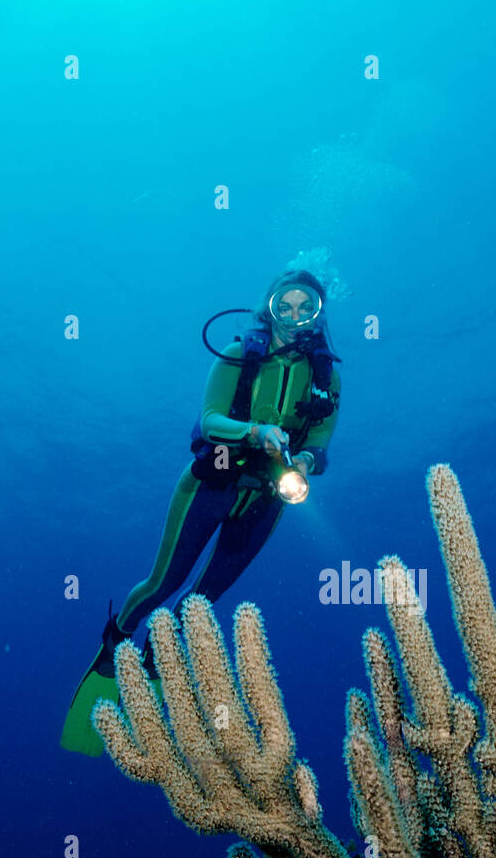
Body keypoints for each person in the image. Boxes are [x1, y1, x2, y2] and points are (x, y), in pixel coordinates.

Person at [61, 269, 341, 756]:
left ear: (318, 314)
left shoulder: (326, 376)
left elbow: (320, 440)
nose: (293, 316)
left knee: (204, 598)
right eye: (284, 305)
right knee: (163, 583)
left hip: (267, 498)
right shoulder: (239, 354)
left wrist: (305, 462)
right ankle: (115, 643)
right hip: (212, 482)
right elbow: (210, 420)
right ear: (269, 307)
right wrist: (255, 432)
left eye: (306, 307)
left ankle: (156, 660)